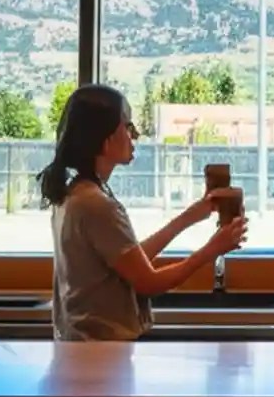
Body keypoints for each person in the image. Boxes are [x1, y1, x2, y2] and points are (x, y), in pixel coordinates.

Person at [38, 83, 247, 341]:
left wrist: (192, 216)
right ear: (104, 139)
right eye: (127, 126)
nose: (134, 134)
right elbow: (148, 282)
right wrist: (211, 250)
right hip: (99, 352)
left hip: (86, 349)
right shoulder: (96, 205)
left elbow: (130, 260)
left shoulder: (77, 195)